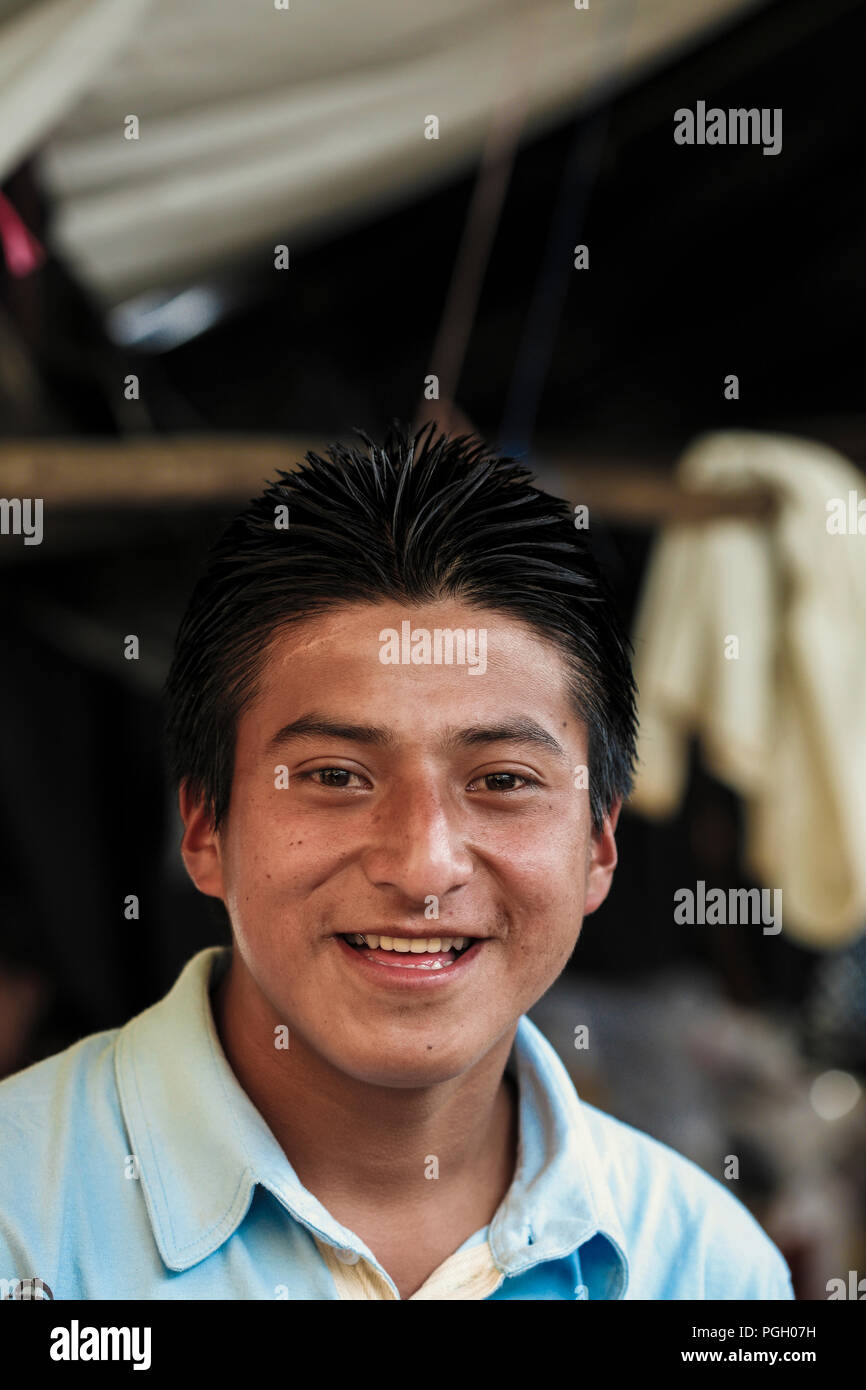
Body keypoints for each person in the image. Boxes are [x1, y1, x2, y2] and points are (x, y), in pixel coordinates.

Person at [0, 421, 794, 1300]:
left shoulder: (706, 1269)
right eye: (336, 776)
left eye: (501, 779)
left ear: (600, 845)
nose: (422, 868)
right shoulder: (22, 1223)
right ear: (205, 828)